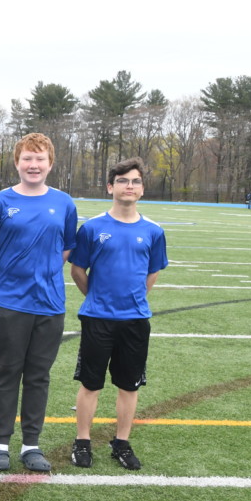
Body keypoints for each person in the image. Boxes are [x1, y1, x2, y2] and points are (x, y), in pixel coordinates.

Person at [0, 132, 77, 472]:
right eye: (27, 158)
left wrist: (42, 273)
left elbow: (65, 249)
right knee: (7, 373)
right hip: (8, 302)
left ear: (50, 164)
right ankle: (0, 444)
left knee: (38, 375)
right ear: (17, 163)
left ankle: (31, 445)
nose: (33, 165)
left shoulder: (64, 203)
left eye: (40, 159)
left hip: (49, 304)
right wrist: (10, 278)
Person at [70, 157, 168, 470]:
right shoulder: (94, 227)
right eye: (123, 181)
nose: (129, 186)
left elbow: (152, 273)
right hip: (98, 318)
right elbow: (77, 269)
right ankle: (82, 441)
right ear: (111, 186)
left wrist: (135, 299)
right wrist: (97, 298)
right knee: (91, 383)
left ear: (142, 188)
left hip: (135, 320)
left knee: (129, 385)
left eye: (135, 181)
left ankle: (121, 442)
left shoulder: (153, 231)